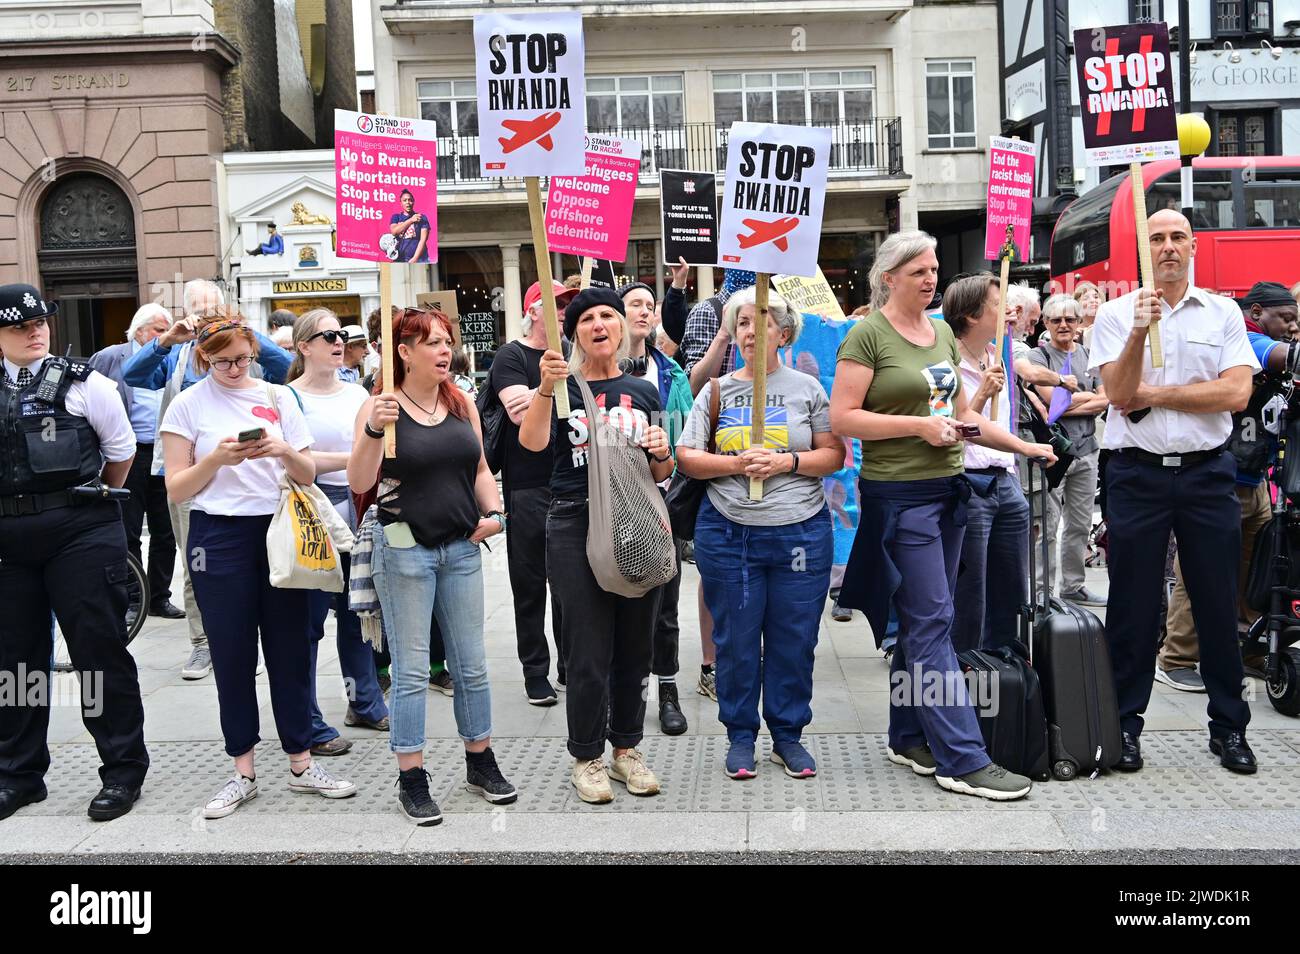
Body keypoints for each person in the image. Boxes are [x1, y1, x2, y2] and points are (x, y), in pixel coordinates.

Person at [830, 230, 1055, 802]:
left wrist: (1022, 446)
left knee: (926, 618)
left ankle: (908, 735)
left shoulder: (942, 334)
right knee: (932, 622)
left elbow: (960, 415)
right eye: (919, 272)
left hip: (949, 491)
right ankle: (962, 758)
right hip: (899, 498)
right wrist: (915, 427)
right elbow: (844, 418)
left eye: (934, 270)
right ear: (889, 278)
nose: (932, 279)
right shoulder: (866, 335)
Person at [161, 319, 357, 817]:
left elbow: (309, 470)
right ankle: (242, 769)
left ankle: (301, 760)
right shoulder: (188, 404)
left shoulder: (279, 396)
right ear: (204, 358)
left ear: (254, 353)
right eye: (223, 360)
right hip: (218, 534)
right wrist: (218, 461)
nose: (234, 368)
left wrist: (284, 449)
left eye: (243, 358)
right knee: (231, 654)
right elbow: (176, 488)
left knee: (290, 648)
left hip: (280, 527)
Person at [1091, 209, 1259, 775]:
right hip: (1136, 475)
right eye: (1156, 238)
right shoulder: (1117, 314)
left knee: (1216, 601)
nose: (1167, 247)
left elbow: (1235, 393)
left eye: (1177, 238)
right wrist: (1141, 328)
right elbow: (1117, 393)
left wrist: (1156, 393)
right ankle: (1124, 728)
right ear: (1146, 247)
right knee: (1133, 606)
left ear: (1193, 246)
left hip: (1207, 473)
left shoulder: (1223, 312)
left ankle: (1229, 728)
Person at [349, 306, 516, 825]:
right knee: (413, 668)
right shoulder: (381, 406)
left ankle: (480, 760)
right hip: (403, 549)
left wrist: (494, 514)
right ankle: (412, 777)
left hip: (462, 546)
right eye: (433, 343)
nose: (446, 351)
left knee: (471, 664)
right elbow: (359, 481)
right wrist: (375, 431)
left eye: (448, 341)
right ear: (404, 352)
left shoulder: (460, 400)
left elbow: (481, 470)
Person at [677, 286, 841, 778]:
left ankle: (788, 736)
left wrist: (785, 460)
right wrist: (733, 462)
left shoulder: (809, 389)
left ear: (783, 333)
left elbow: (832, 455)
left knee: (795, 638)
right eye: (743, 322)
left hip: (801, 537)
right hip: (729, 535)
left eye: (762, 320)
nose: (751, 331)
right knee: (736, 640)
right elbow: (686, 456)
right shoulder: (715, 391)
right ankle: (740, 735)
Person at [519, 288, 676, 804]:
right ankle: (586, 756)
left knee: (635, 644)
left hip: (635, 522)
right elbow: (532, 444)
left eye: (608, 314)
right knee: (586, 647)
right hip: (573, 523)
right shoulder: (562, 387)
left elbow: (662, 471)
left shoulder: (644, 390)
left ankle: (626, 748)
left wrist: (661, 451)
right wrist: (545, 388)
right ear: (575, 333)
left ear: (625, 325)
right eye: (587, 318)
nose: (600, 324)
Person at [0, 284, 150, 823]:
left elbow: (121, 453)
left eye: (40, 321)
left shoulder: (90, 384)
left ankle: (123, 771)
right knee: (15, 661)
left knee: (97, 651)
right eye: (20, 327)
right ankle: (18, 774)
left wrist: (78, 502)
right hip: (9, 540)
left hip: (80, 530)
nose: (35, 331)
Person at [123, 280, 292, 680]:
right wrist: (167, 339)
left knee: (258, 564)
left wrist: (247, 334)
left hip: (251, 478)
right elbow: (134, 375)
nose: (207, 320)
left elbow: (288, 369)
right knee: (195, 562)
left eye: (214, 310)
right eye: (199, 312)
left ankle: (248, 642)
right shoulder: (179, 354)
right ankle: (203, 644)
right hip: (190, 477)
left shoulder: (243, 352)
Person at [1158, 281, 1300, 692]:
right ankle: (1177, 657)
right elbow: (1284, 357)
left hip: (1254, 481)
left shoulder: (1263, 334)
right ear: (1256, 313)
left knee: (1252, 572)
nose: (1292, 328)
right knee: (1201, 568)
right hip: (1219, 476)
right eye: (1286, 319)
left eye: (1296, 320)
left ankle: (1247, 646)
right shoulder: (1249, 339)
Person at [285, 309, 389, 756]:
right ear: (303, 346)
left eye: (342, 335)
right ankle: (305, 716)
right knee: (306, 624)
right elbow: (293, 458)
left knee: (359, 612)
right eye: (328, 335)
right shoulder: (287, 397)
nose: (338, 341)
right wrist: (348, 459)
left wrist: (350, 459)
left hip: (358, 509)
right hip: (311, 513)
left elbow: (376, 445)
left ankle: (364, 699)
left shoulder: (356, 393)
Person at [487, 280, 578, 704]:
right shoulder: (512, 354)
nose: (564, 312)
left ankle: (567, 665)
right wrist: (547, 390)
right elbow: (518, 409)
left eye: (567, 306)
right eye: (556, 305)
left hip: (570, 481)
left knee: (570, 583)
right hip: (527, 486)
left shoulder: (572, 355)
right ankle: (535, 671)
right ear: (533, 311)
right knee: (529, 585)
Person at [619, 280, 695, 735]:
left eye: (650, 305)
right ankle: (626, 688)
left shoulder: (672, 375)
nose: (644, 312)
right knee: (617, 603)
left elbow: (685, 437)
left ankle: (668, 688)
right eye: (635, 304)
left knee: (665, 604)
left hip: (660, 504)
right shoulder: (588, 376)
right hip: (608, 506)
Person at [943, 273, 1031, 653]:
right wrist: (979, 396)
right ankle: (966, 672)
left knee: (1012, 587)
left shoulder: (999, 355)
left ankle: (1007, 676)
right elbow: (954, 426)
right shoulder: (943, 363)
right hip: (969, 483)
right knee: (970, 592)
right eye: (998, 304)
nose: (1007, 309)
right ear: (972, 314)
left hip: (1006, 482)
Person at [88, 302, 184, 620]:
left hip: (166, 453)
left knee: (165, 531)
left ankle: (158, 597)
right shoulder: (109, 358)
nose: (165, 335)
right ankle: (132, 598)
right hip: (129, 455)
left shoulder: (174, 357)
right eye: (159, 329)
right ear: (139, 330)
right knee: (128, 529)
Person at [1029, 295, 1109, 606]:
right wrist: (1084, 401)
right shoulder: (1038, 358)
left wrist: (1065, 403)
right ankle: (1042, 593)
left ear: (1078, 325)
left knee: (1078, 524)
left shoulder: (1090, 355)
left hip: (1088, 451)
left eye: (1070, 320)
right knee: (1047, 527)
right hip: (1053, 455)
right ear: (1046, 323)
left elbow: (1107, 398)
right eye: (1057, 320)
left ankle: (1072, 586)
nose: (1064, 325)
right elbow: (1050, 404)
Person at [388, 189, 430, 264]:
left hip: (419, 259)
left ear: (413, 202)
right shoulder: (396, 217)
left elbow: (423, 240)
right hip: (400, 259)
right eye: (405, 200)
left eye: (410, 200)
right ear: (401, 203)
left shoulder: (421, 217)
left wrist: (415, 258)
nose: (408, 202)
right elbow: (394, 231)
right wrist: (411, 220)